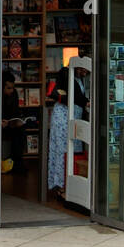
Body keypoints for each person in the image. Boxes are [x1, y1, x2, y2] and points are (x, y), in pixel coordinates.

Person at [46, 58, 87, 197]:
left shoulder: (80, 79)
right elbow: (75, 96)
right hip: (64, 117)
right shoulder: (66, 74)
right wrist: (86, 102)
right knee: (63, 150)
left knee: (73, 150)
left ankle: (70, 183)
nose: (84, 72)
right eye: (82, 69)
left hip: (74, 117)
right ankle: (61, 185)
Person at [0, 70, 27, 175]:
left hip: (9, 123)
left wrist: (17, 120)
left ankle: (17, 163)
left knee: (20, 130)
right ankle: (13, 163)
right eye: (8, 88)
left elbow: (15, 110)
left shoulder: (14, 94)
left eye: (12, 87)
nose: (11, 90)